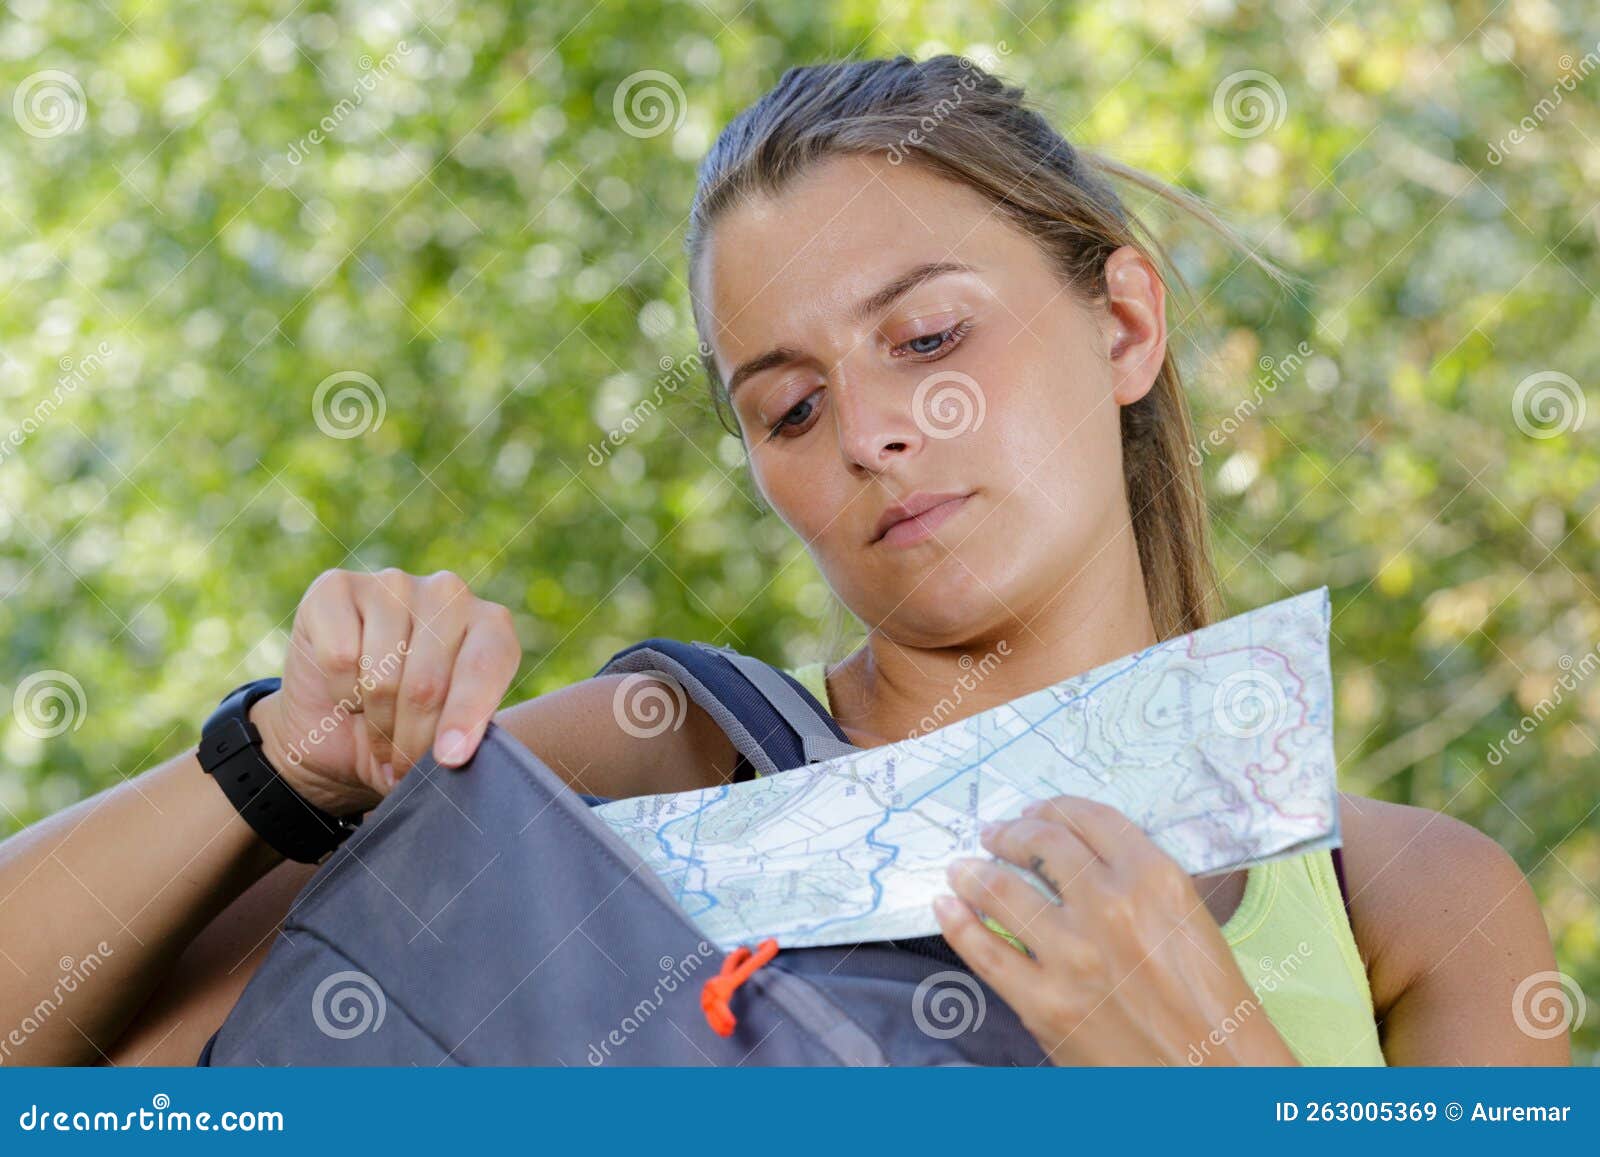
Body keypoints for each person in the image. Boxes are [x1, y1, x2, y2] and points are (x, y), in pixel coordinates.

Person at [0, 55, 1567, 1067]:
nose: (878, 430)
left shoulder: (1416, 904)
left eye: (932, 336)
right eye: (794, 405)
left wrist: (1211, 1081)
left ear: (1126, 323)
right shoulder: (660, 767)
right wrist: (273, 762)